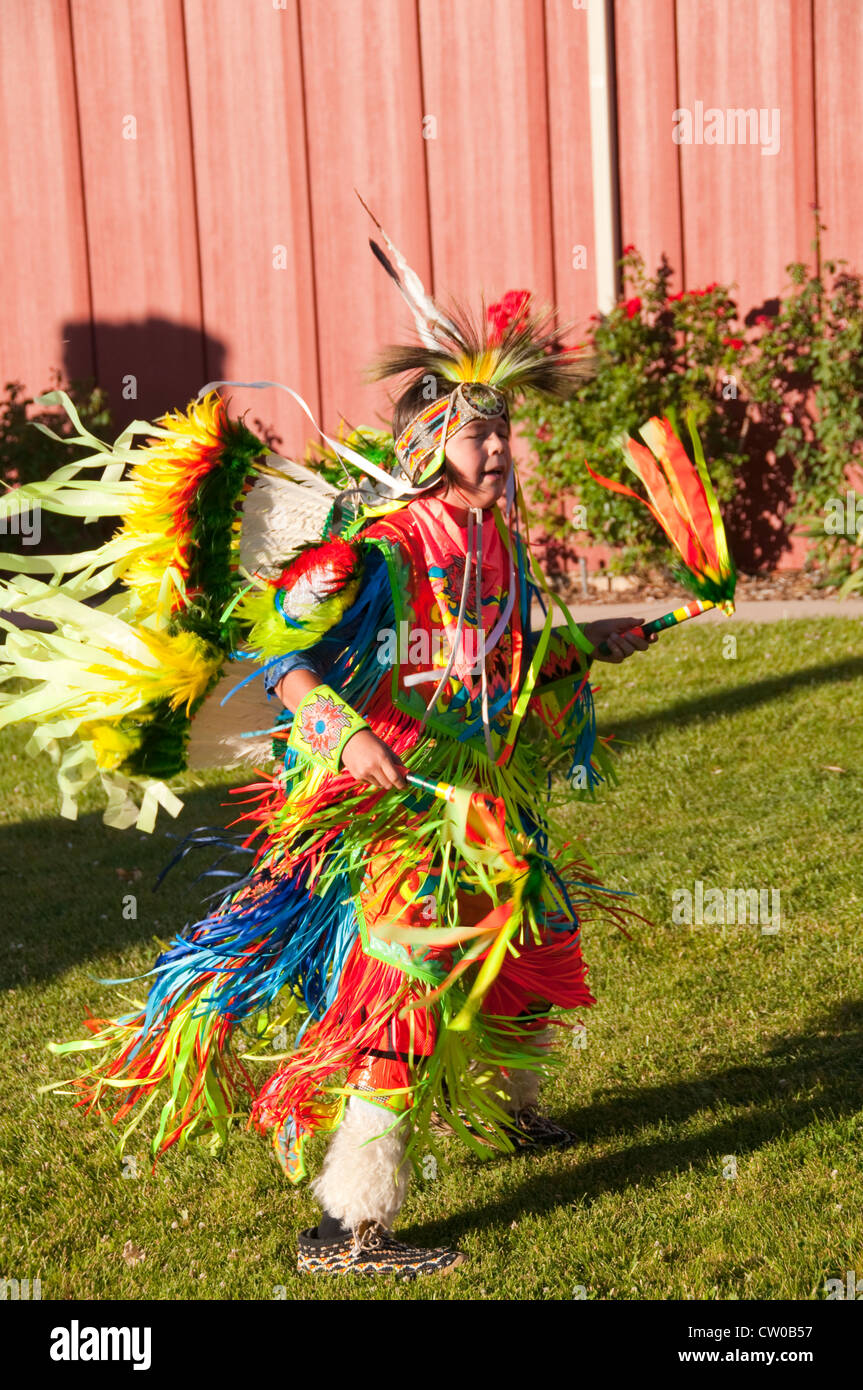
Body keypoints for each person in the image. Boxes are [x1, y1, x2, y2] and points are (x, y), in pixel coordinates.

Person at [23, 230, 655, 1280]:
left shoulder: (493, 544)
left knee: (532, 943)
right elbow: (281, 658)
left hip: (479, 798)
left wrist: (590, 642)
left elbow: (498, 656)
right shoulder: (376, 550)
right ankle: (347, 1227)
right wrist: (346, 731)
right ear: (423, 445)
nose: (496, 450)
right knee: (401, 995)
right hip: (396, 806)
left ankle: (515, 1109)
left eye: (503, 433)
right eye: (473, 434)